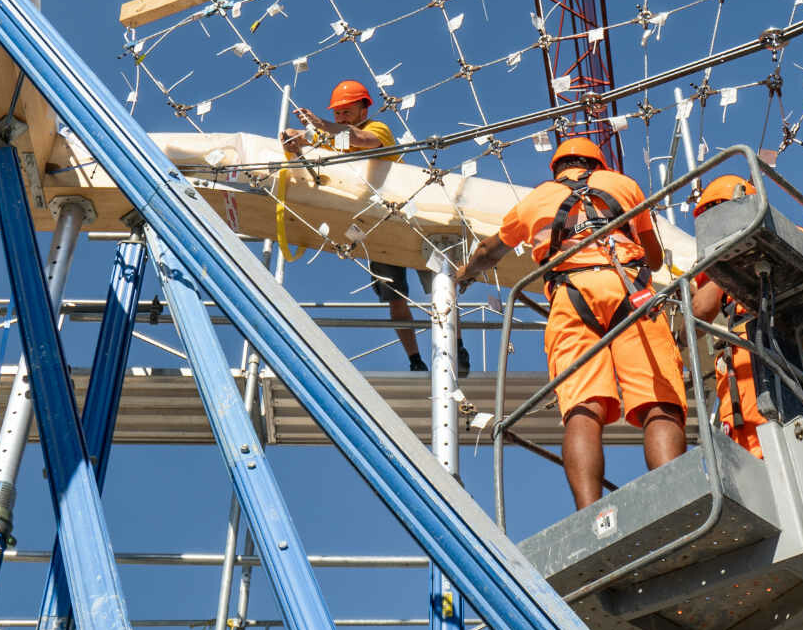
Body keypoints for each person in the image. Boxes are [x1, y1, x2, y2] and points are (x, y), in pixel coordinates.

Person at [454, 137, 686, 509]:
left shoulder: (535, 200)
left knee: (583, 409)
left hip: (571, 294)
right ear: (597, 165)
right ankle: (677, 501)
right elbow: (655, 258)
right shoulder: (623, 185)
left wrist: (463, 274)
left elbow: (488, 251)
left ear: (557, 168)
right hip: (631, 289)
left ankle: (591, 514)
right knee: (659, 404)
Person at [284, 78, 470, 377]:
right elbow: (334, 141)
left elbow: (362, 141)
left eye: (346, 111)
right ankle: (415, 360)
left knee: (440, 287)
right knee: (394, 297)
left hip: (410, 219)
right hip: (377, 225)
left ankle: (456, 347)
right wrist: (299, 138)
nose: (341, 117)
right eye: (337, 113)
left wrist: (320, 128)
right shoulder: (338, 139)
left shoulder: (377, 129)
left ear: (363, 109)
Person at [688, 175, 767, 459]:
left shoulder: (726, 253)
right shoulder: (785, 235)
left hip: (753, 357)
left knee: (756, 449)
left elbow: (700, 311)